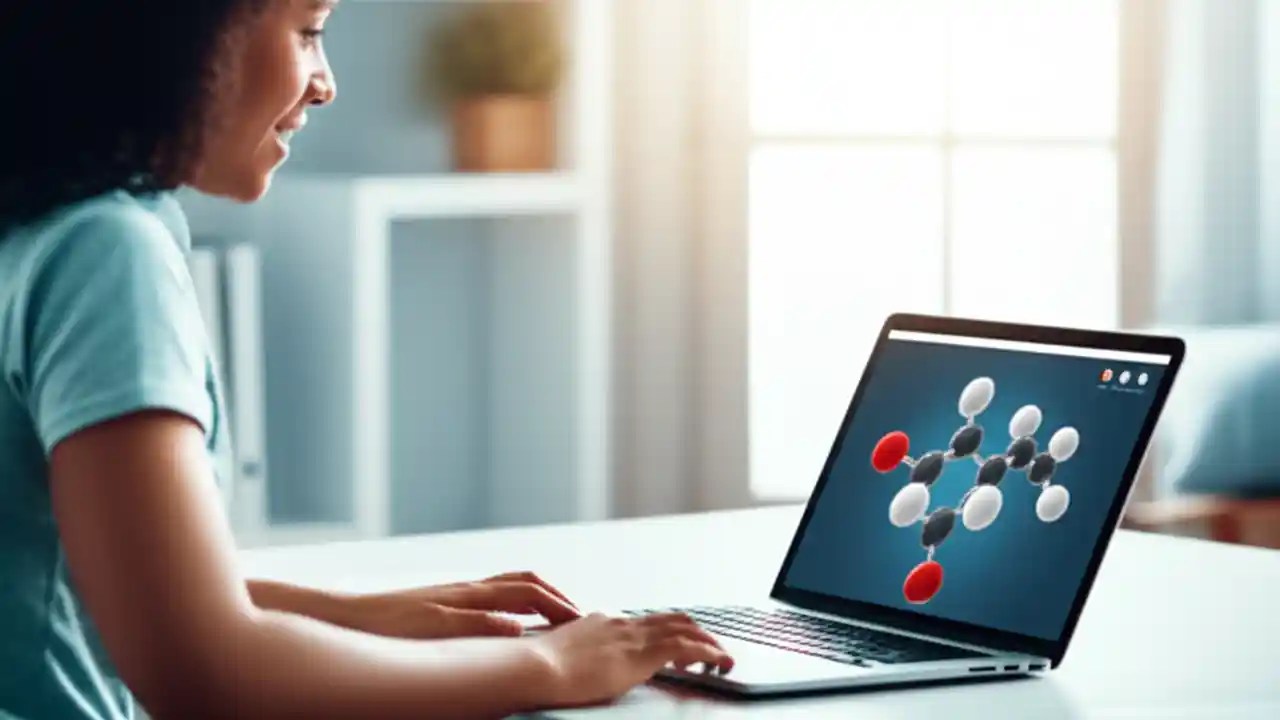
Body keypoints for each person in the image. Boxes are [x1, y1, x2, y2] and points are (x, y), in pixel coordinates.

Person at [0, 1, 733, 718]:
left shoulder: (37, 222)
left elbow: (119, 592)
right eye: (308, 32)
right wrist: (547, 663)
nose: (325, 82)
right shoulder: (104, 249)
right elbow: (203, 671)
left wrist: (367, 616)